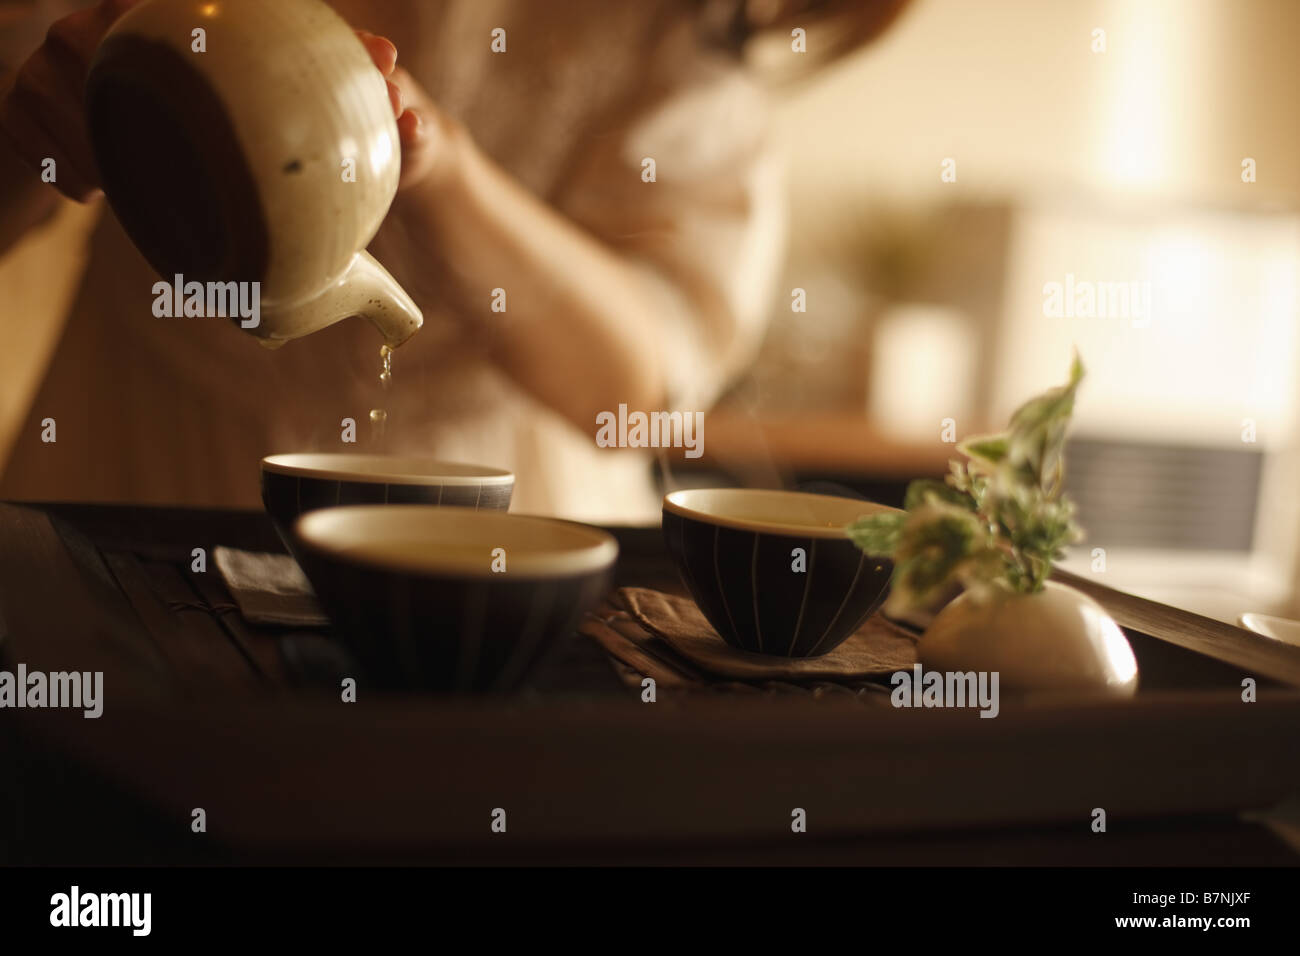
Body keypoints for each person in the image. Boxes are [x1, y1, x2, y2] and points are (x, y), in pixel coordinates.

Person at [0, 0, 907, 521]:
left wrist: (440, 168)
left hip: (512, 513)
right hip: (143, 458)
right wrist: (31, 134)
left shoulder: (686, 26)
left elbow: (635, 395)